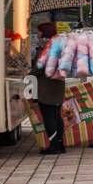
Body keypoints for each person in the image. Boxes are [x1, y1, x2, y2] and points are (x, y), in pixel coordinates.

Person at [32, 22, 65, 155]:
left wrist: (29, 75)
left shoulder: (46, 47)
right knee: (57, 116)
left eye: (39, 32)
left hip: (46, 88)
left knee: (49, 117)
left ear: (44, 32)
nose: (38, 34)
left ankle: (53, 146)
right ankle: (60, 144)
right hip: (58, 85)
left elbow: (39, 68)